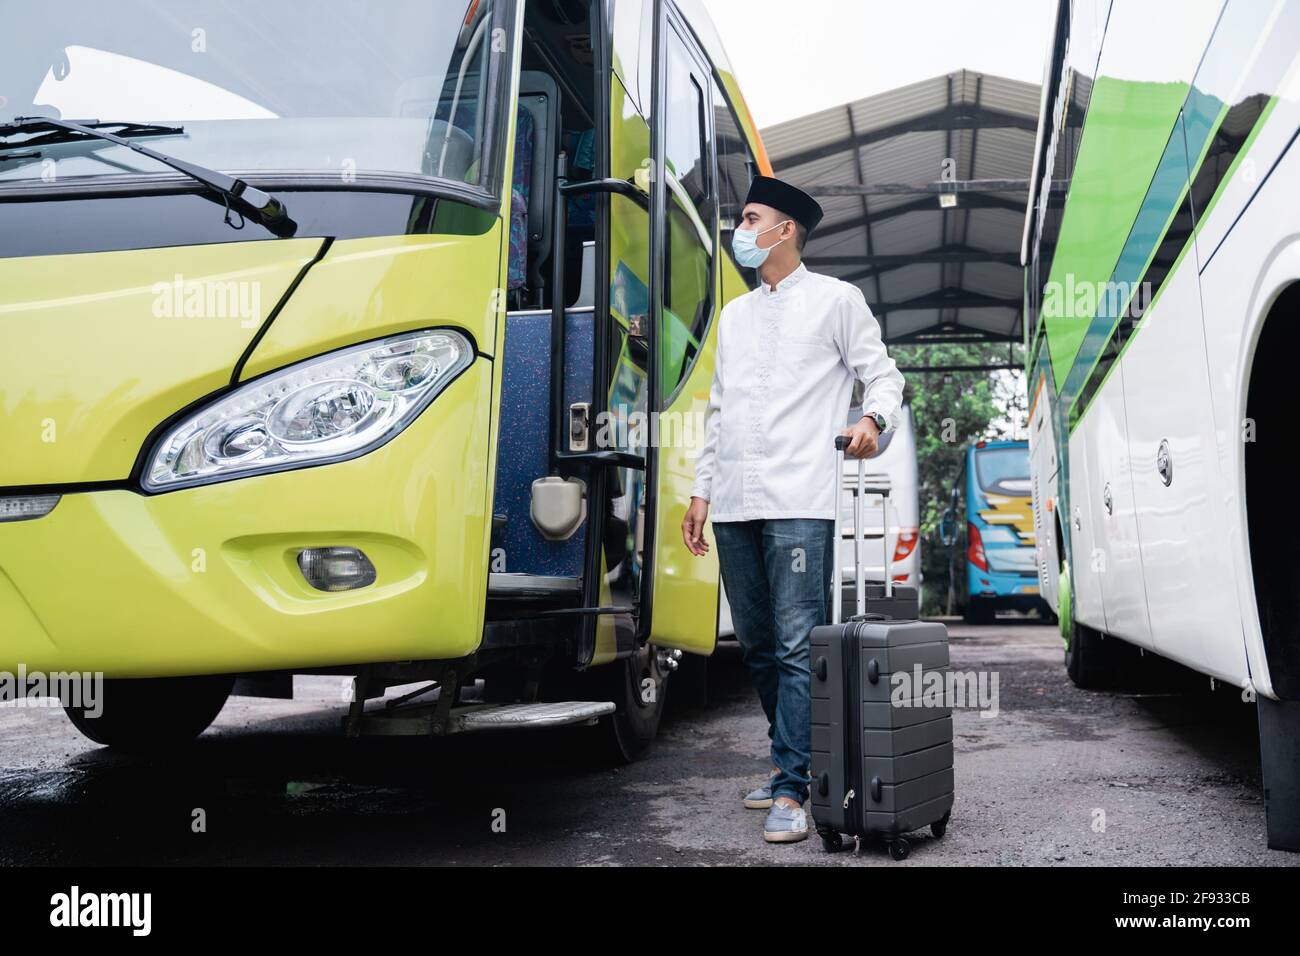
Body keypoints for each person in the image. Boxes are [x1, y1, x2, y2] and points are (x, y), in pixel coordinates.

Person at [682, 175, 905, 844]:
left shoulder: (838, 301)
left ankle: (791, 785)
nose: (741, 231)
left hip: (799, 500)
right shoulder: (735, 315)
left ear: (785, 231)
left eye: (751, 219)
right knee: (754, 646)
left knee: (795, 644)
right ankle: (796, 762)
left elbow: (883, 373)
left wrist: (871, 419)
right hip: (733, 503)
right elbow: (719, 412)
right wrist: (700, 489)